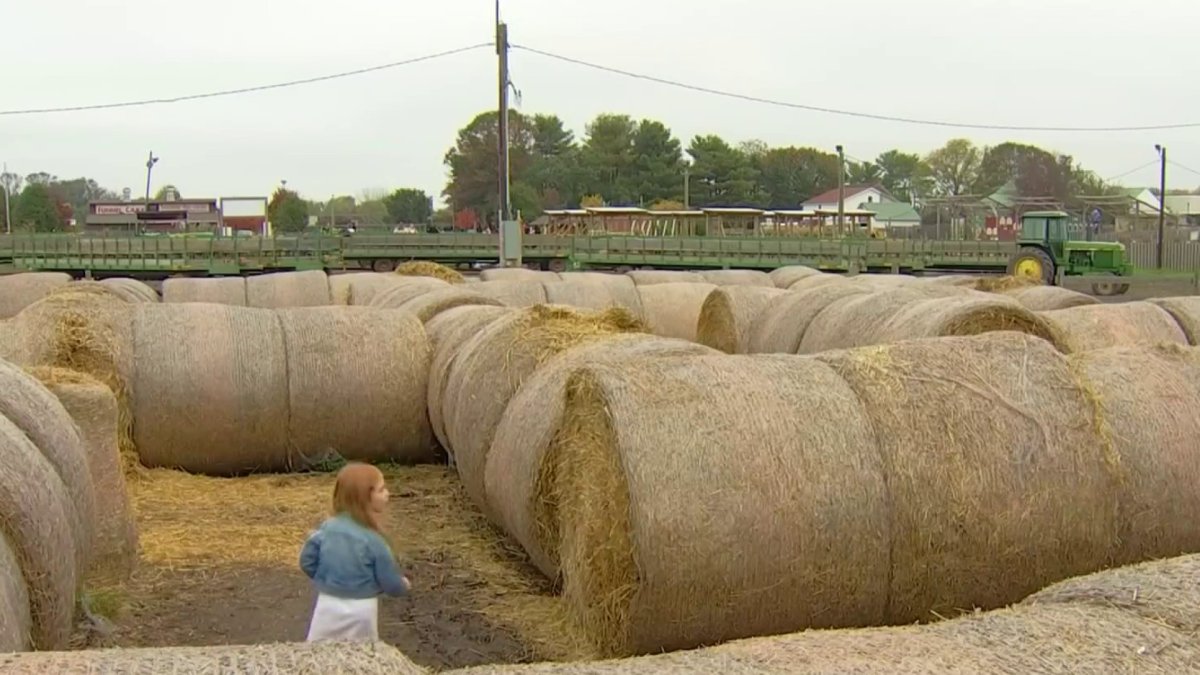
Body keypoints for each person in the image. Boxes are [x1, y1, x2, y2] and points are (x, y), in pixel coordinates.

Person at [299, 462, 411, 642]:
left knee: (318, 653)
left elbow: (306, 562)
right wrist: (403, 585)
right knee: (362, 655)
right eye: (381, 490)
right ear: (365, 498)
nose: (388, 494)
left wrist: (326, 578)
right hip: (362, 609)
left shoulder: (327, 528)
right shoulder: (375, 541)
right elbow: (390, 583)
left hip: (327, 605)